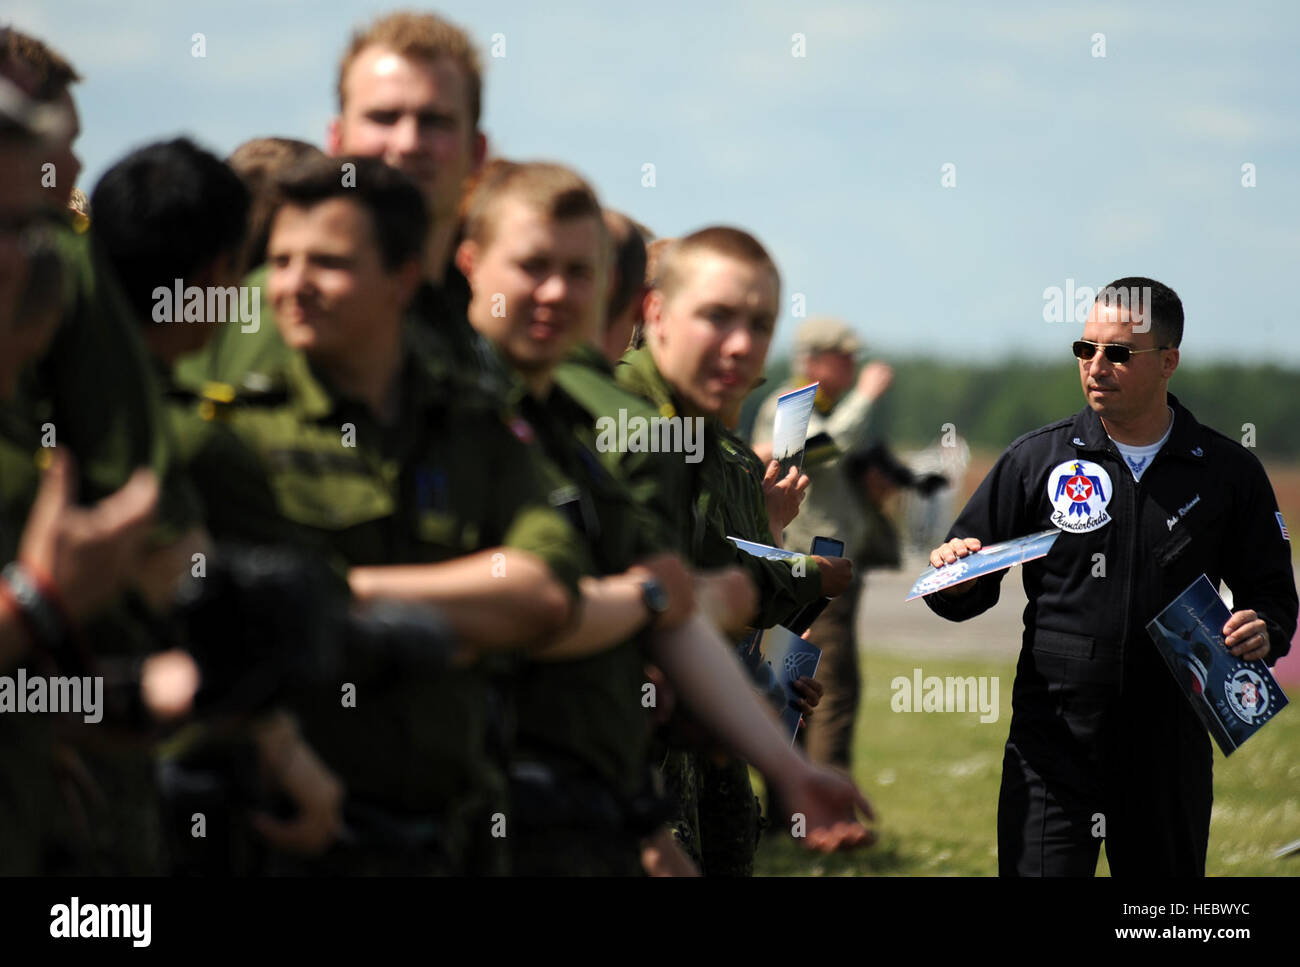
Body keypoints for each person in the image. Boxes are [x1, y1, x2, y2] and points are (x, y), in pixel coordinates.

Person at [924, 278, 1298, 877]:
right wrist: (955, 579)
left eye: (1118, 353)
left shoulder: (1229, 471)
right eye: (1085, 348)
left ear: (1168, 361)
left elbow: (1273, 595)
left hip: (1169, 745)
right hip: (1052, 744)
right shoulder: (1036, 460)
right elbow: (960, 581)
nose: (1096, 365)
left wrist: (1266, 629)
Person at [617, 227, 858, 875]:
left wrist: (767, 682)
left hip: (706, 723)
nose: (742, 343)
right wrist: (797, 572)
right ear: (654, 310)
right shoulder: (625, 425)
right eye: (716, 315)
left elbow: (715, 581)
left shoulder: (711, 442)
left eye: (760, 323)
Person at [751, 318, 893, 770]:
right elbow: (828, 443)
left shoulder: (820, 406)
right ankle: (821, 813)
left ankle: (795, 811)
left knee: (797, 682)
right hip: (810, 567)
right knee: (826, 686)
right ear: (812, 359)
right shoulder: (791, 407)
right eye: (843, 355)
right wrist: (867, 397)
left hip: (820, 564)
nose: (854, 365)